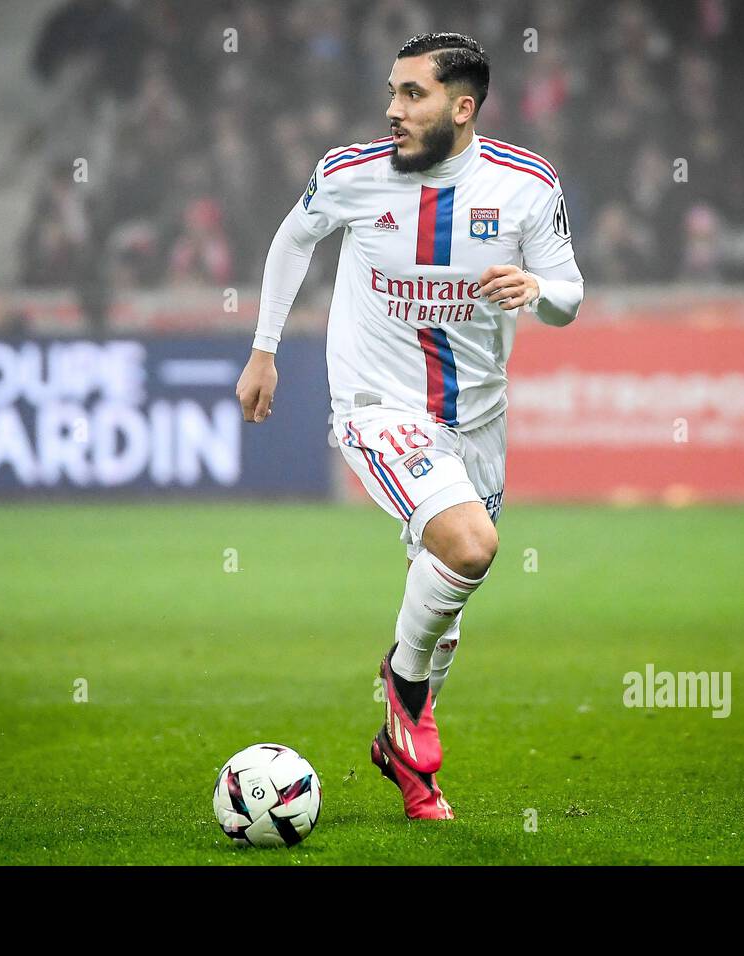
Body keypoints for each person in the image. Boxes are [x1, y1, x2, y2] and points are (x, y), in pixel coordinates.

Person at [235, 33, 584, 820]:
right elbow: (293, 240)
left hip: (479, 418)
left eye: (413, 95)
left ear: (463, 108)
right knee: (470, 544)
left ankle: (404, 742)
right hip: (378, 405)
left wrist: (534, 286)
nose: (393, 109)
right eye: (392, 92)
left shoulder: (527, 185)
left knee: (449, 596)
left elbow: (569, 297)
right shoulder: (352, 174)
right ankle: (406, 690)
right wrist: (264, 350)